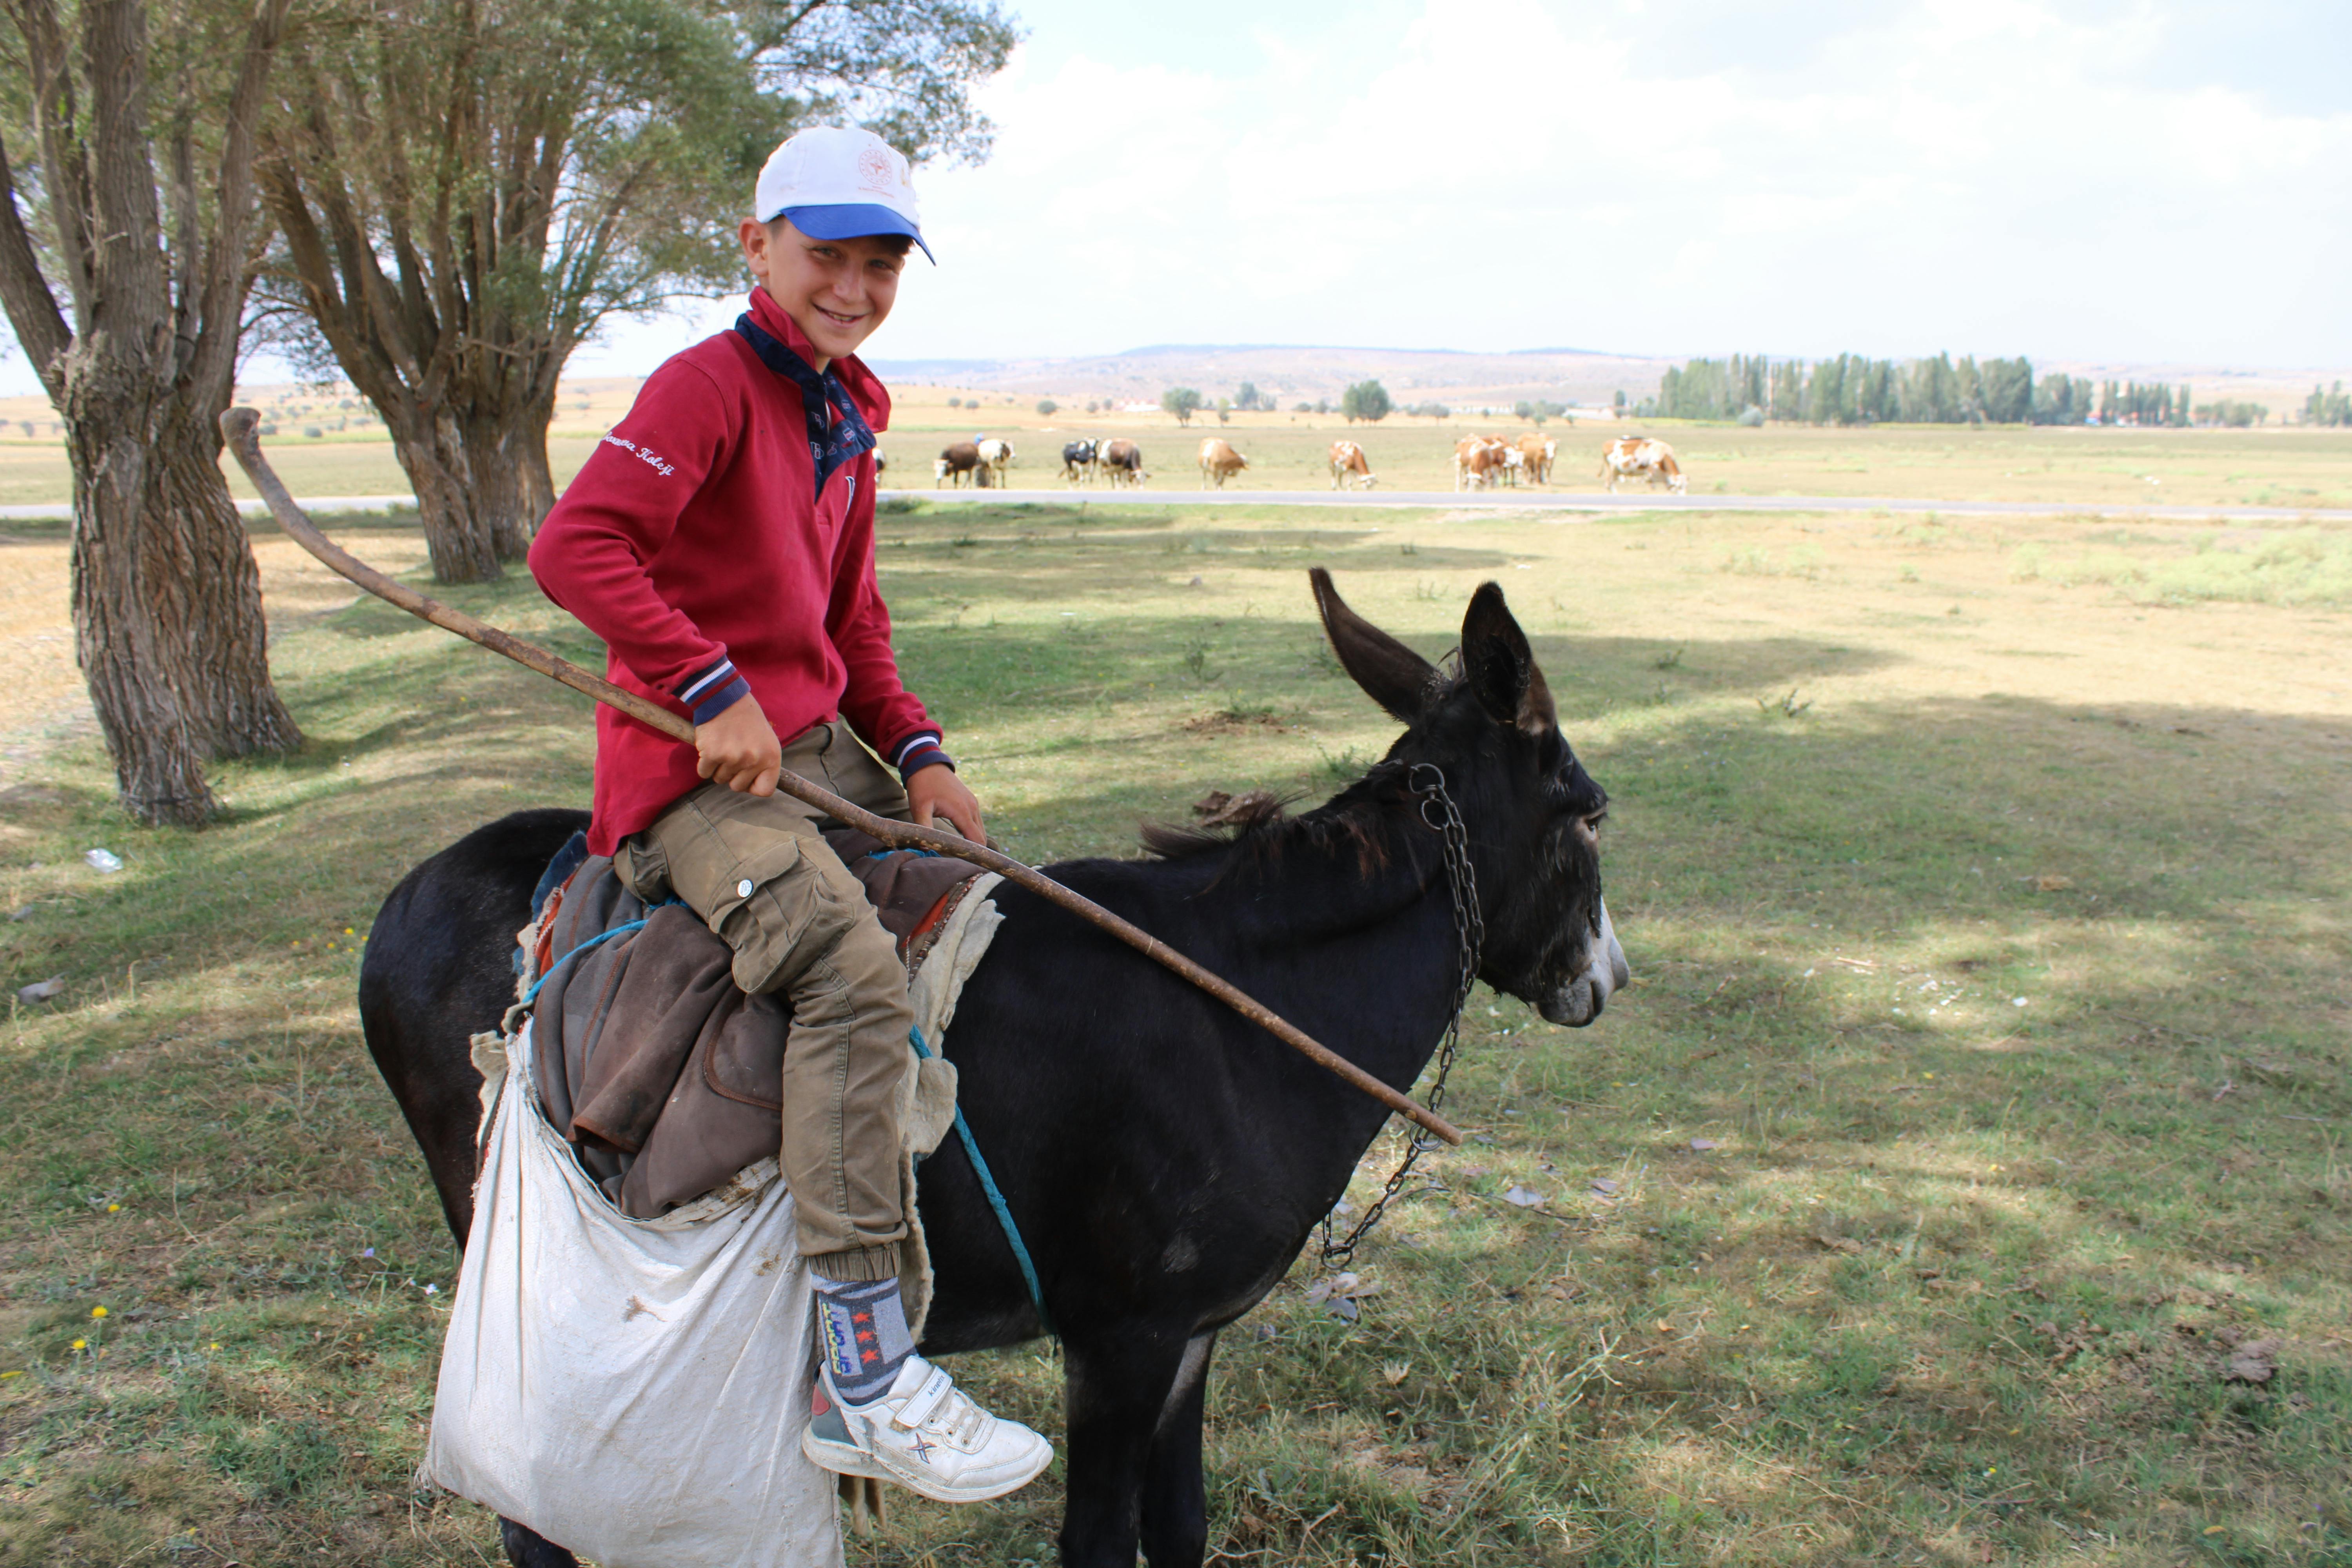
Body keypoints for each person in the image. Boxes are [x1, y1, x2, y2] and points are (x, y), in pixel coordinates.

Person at [527, 125, 1051, 1506]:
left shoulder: (845, 407)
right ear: (756, 248)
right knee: (841, 967)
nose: (855, 285)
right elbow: (574, 544)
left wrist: (919, 750)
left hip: (811, 746)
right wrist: (708, 688)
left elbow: (848, 618)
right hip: (688, 774)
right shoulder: (706, 386)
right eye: (829, 256)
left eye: (881, 263)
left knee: (992, 896)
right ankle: (864, 1374)